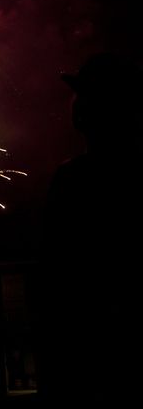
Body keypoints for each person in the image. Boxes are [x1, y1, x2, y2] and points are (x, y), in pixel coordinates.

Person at [36, 52, 142, 405]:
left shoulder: (75, 179)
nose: (74, 103)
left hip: (87, 353)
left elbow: (55, 275)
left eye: (83, 94)